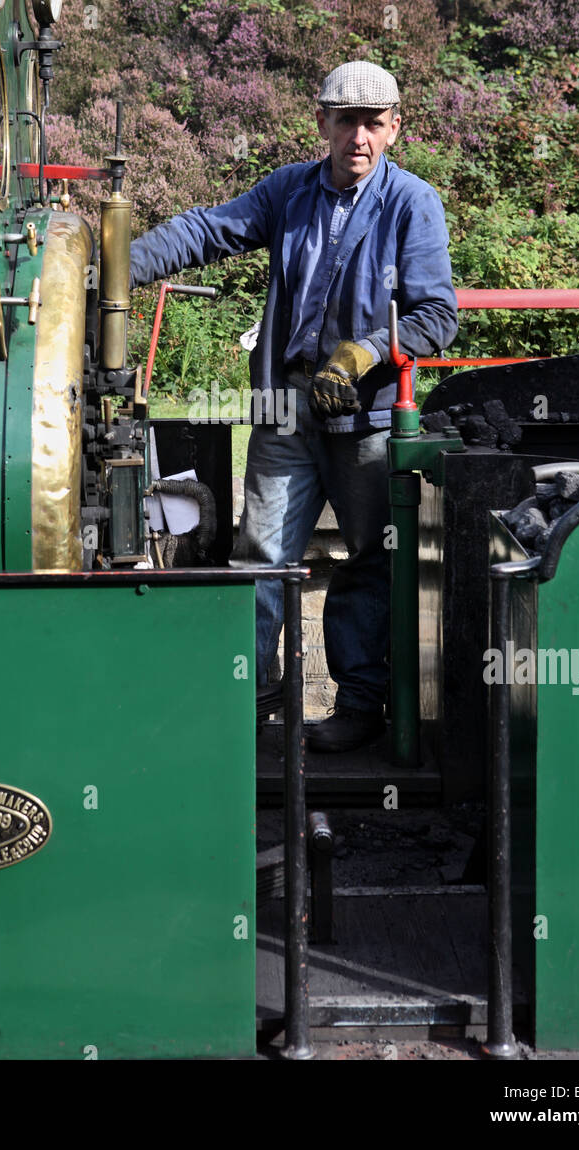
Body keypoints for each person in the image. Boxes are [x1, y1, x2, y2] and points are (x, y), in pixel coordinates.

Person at [130, 61, 458, 751]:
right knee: (262, 554)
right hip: (286, 409)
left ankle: (359, 708)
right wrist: (113, 260)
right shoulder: (290, 191)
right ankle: (252, 699)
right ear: (323, 125)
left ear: (395, 127)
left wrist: (362, 353)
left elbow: (435, 315)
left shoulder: (412, 204)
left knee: (370, 558)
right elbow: (208, 231)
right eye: (346, 122)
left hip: (365, 418)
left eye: (374, 123)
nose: (359, 137)